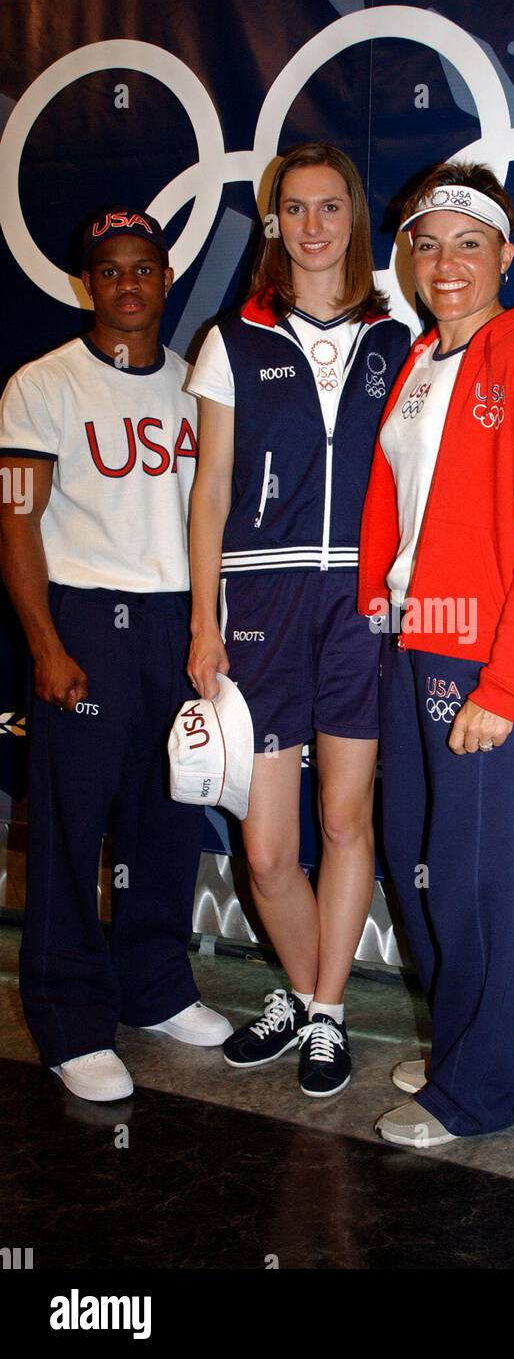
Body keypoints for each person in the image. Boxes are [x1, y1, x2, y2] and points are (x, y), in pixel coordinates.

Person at [358, 162, 514, 1146]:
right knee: (420, 862)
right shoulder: (419, 365)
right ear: (407, 256)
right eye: (427, 241)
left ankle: (478, 1090)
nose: (446, 262)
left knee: (476, 876)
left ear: (505, 252)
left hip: (492, 657)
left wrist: (506, 677)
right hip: (417, 645)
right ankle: (471, 1044)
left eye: (468, 241)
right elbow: (392, 518)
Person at [187, 143, 409, 1097]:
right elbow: (209, 494)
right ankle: (306, 991)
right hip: (261, 602)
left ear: (354, 220)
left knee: (344, 817)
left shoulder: (401, 339)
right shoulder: (232, 337)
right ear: (273, 223)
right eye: (294, 209)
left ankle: (322, 1013)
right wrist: (204, 622)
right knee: (270, 850)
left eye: (330, 207)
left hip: (358, 602)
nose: (313, 226)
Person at [0, 207, 233, 1103]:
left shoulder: (193, 384)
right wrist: (45, 643)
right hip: (87, 619)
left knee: (165, 817)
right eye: (110, 270)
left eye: (145, 268)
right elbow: (15, 522)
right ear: (84, 284)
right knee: (69, 826)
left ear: (167, 280)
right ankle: (67, 1018)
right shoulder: (41, 384)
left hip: (177, 621)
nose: (129, 283)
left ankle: (157, 987)